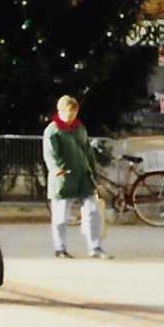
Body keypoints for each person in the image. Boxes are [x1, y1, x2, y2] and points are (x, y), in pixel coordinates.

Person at [42, 95, 107, 260]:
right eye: (69, 114)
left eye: (74, 114)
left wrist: (93, 172)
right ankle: (60, 248)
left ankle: (95, 247)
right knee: (60, 216)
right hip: (64, 179)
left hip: (83, 177)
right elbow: (50, 154)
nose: (71, 118)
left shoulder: (80, 128)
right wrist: (56, 169)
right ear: (60, 112)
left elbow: (87, 151)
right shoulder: (53, 130)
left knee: (92, 211)